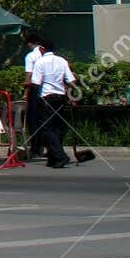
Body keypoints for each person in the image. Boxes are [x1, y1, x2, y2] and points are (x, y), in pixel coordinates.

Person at [30, 39, 81, 169]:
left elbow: (36, 83)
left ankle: (60, 156)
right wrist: (72, 94)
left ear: (42, 49)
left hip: (47, 97)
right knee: (57, 127)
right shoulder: (62, 61)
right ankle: (53, 157)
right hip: (61, 98)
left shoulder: (40, 62)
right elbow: (70, 80)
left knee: (47, 129)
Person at [22, 33, 44, 159]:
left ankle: (35, 148)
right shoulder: (47, 54)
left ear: (30, 43)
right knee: (45, 119)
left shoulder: (31, 56)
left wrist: (25, 92)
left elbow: (29, 75)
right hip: (48, 90)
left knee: (33, 119)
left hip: (35, 89)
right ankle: (45, 146)